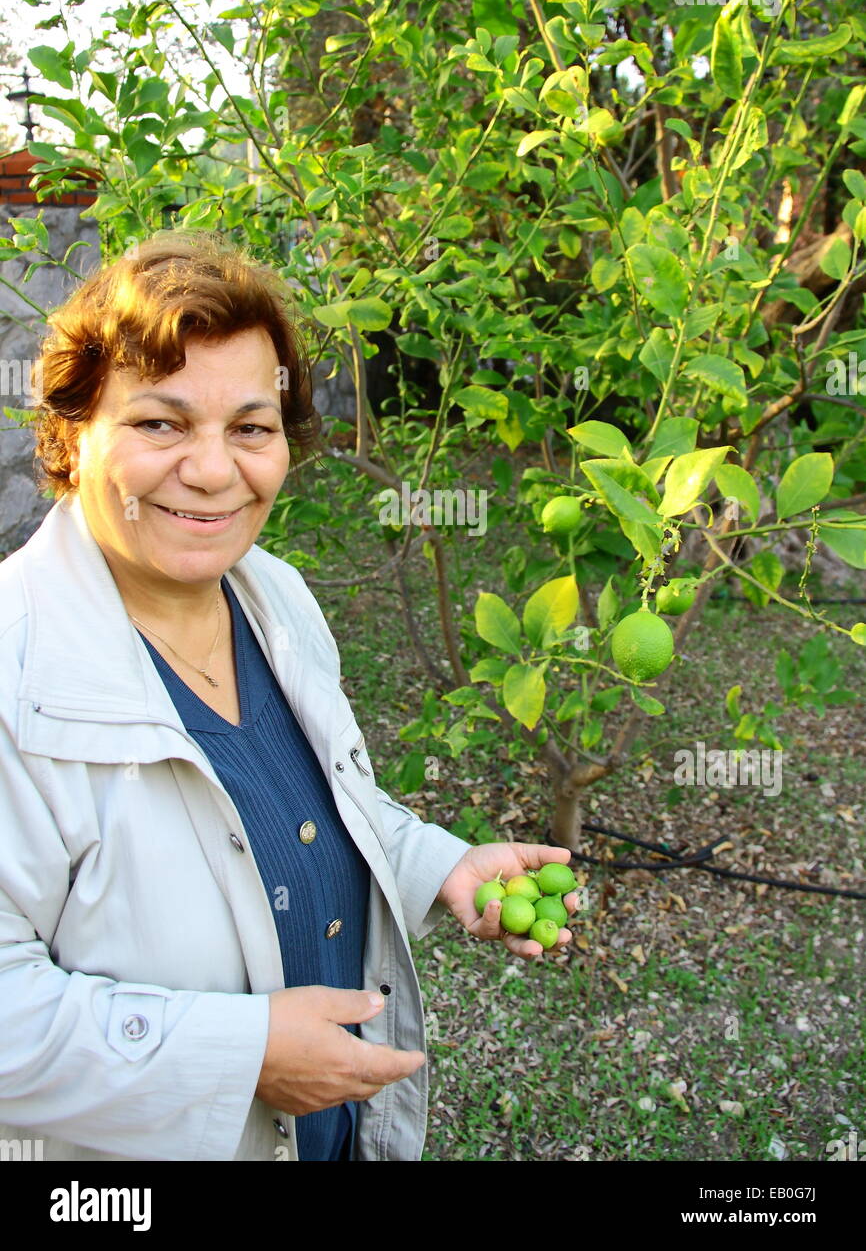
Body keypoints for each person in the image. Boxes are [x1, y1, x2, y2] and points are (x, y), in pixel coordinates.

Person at [0, 230, 578, 1162]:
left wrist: (439, 866)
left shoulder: (274, 597)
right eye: (160, 423)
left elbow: (318, 806)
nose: (214, 469)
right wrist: (239, 1058)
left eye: (251, 428)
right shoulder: (14, 673)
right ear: (74, 431)